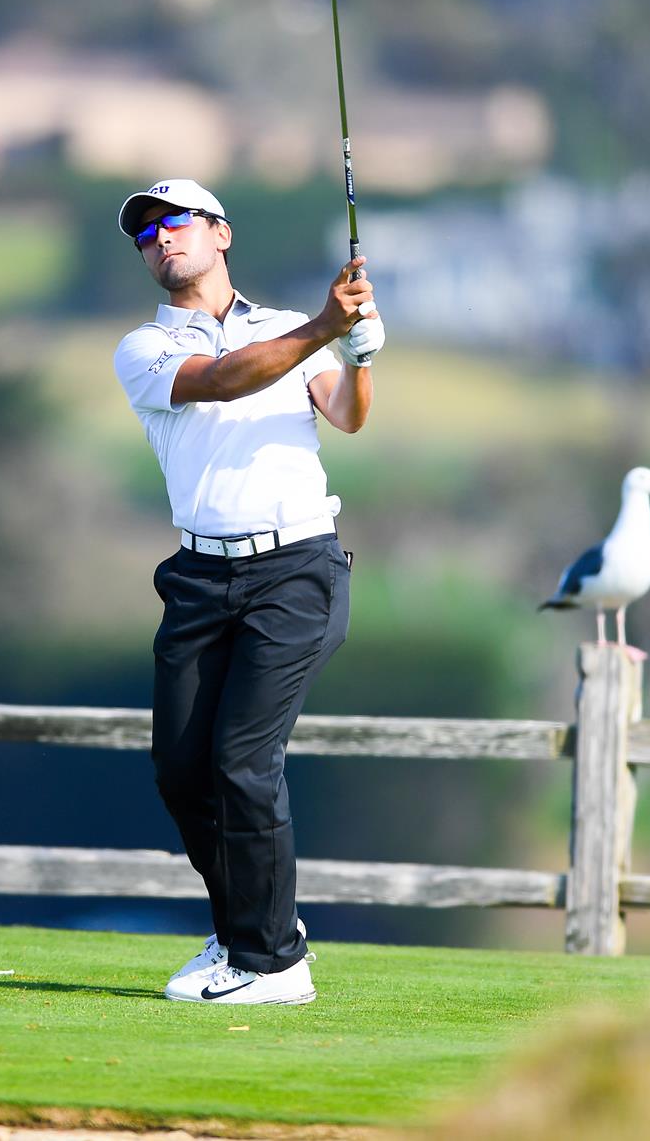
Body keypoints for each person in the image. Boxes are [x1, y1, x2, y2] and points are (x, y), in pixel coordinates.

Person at [111, 178, 384, 1006]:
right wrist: (326, 328)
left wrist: (359, 356)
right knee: (181, 769)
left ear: (221, 233)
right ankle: (245, 926)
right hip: (200, 576)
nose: (161, 238)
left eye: (175, 221)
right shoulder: (144, 347)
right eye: (146, 233)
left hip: (296, 568)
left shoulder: (286, 330)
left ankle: (273, 960)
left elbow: (348, 414)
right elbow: (225, 380)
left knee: (241, 759)